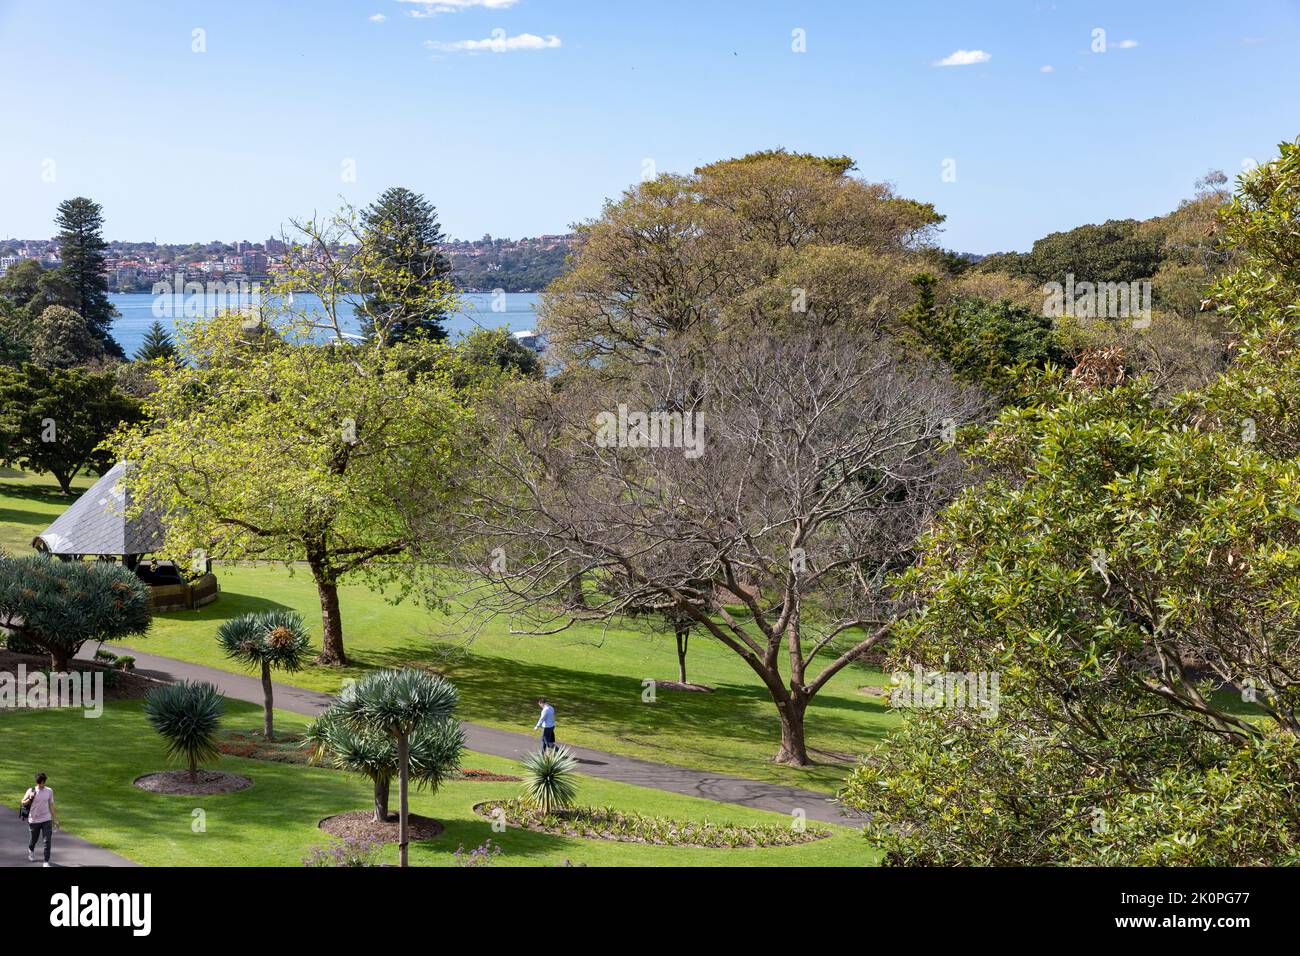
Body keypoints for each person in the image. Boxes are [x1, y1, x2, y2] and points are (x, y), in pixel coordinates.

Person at [22, 772, 58, 867]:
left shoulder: (49, 791)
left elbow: (51, 805)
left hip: (46, 819)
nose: (39, 785)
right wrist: (30, 798)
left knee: (47, 840)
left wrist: (55, 819)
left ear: (44, 782)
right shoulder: (31, 790)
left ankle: (46, 861)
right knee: (34, 839)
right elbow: (23, 803)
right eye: (38, 783)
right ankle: (31, 850)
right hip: (34, 820)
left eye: (41, 783)